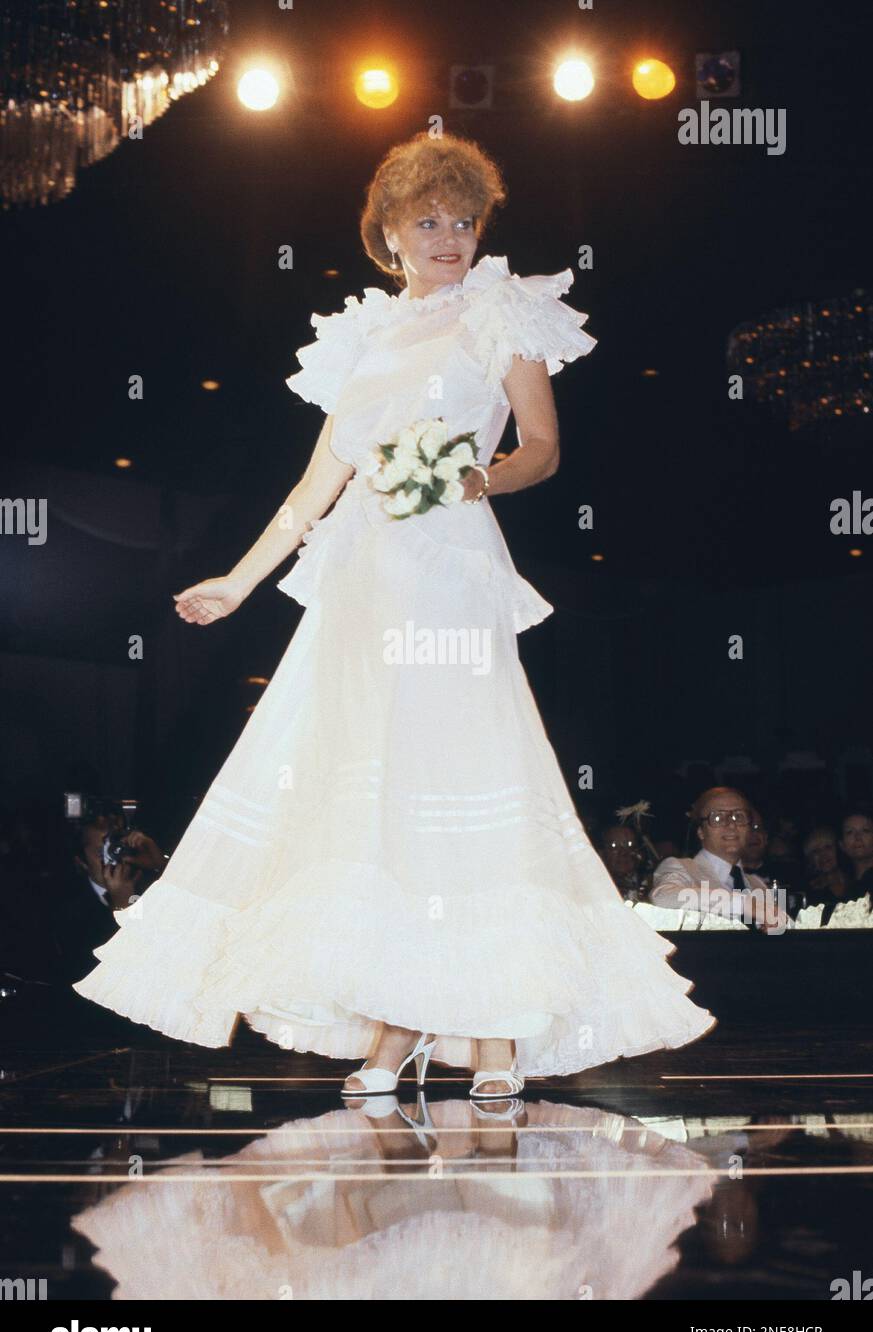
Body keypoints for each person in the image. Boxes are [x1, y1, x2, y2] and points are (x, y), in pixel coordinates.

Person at [74, 132, 716, 1099]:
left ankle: (495, 1029)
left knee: (466, 770)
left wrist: (474, 478)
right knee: (370, 795)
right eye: (429, 221)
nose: (449, 236)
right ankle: (397, 1023)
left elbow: (540, 447)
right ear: (388, 235)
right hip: (362, 585)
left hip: (452, 570)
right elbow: (312, 488)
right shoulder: (364, 336)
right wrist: (239, 583)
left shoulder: (504, 313)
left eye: (463, 219)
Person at [651, 786, 783, 930]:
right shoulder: (682, 867)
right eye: (718, 817)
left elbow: (784, 930)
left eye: (739, 816)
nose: (731, 824)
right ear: (701, 832)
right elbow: (662, 897)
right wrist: (742, 904)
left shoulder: (757, 884)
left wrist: (777, 926)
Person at [839, 808, 873, 901]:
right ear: (842, 844)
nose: (858, 837)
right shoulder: (844, 887)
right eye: (850, 832)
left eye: (865, 830)